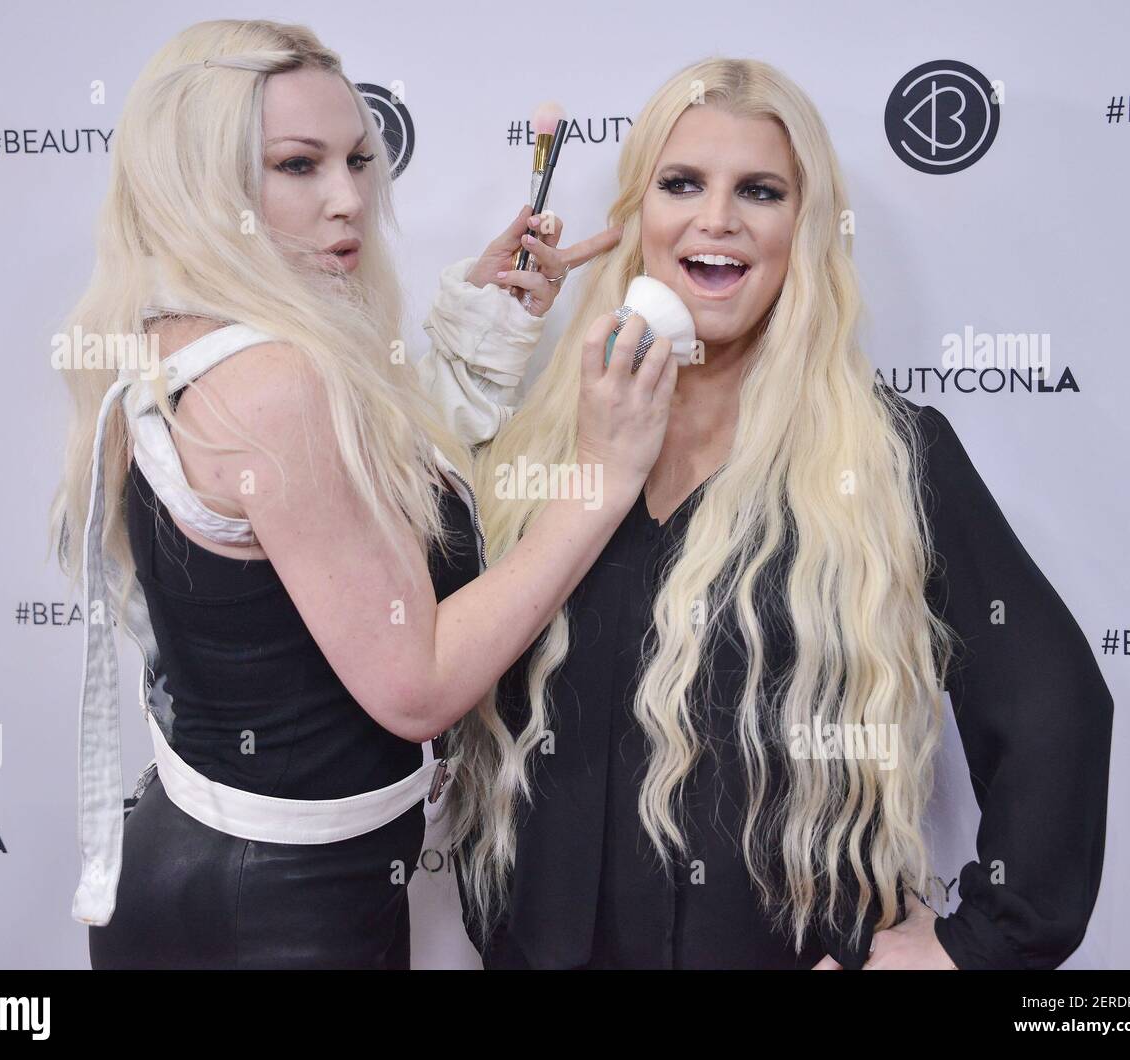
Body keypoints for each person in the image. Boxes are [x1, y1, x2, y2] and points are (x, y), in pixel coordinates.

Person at [432, 57, 1115, 970]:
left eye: (759, 190)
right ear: (637, 221)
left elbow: (1054, 709)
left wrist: (974, 947)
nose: (717, 218)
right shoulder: (534, 459)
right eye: (682, 184)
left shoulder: (887, 457)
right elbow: (405, 659)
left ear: (806, 228)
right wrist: (479, 351)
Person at [49, 18, 672, 969]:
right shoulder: (274, 382)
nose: (348, 199)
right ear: (197, 177)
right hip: (273, 919)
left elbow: (358, 509)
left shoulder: (187, 335)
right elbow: (416, 687)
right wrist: (604, 476)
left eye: (356, 159)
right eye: (297, 166)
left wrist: (480, 321)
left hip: (221, 880)